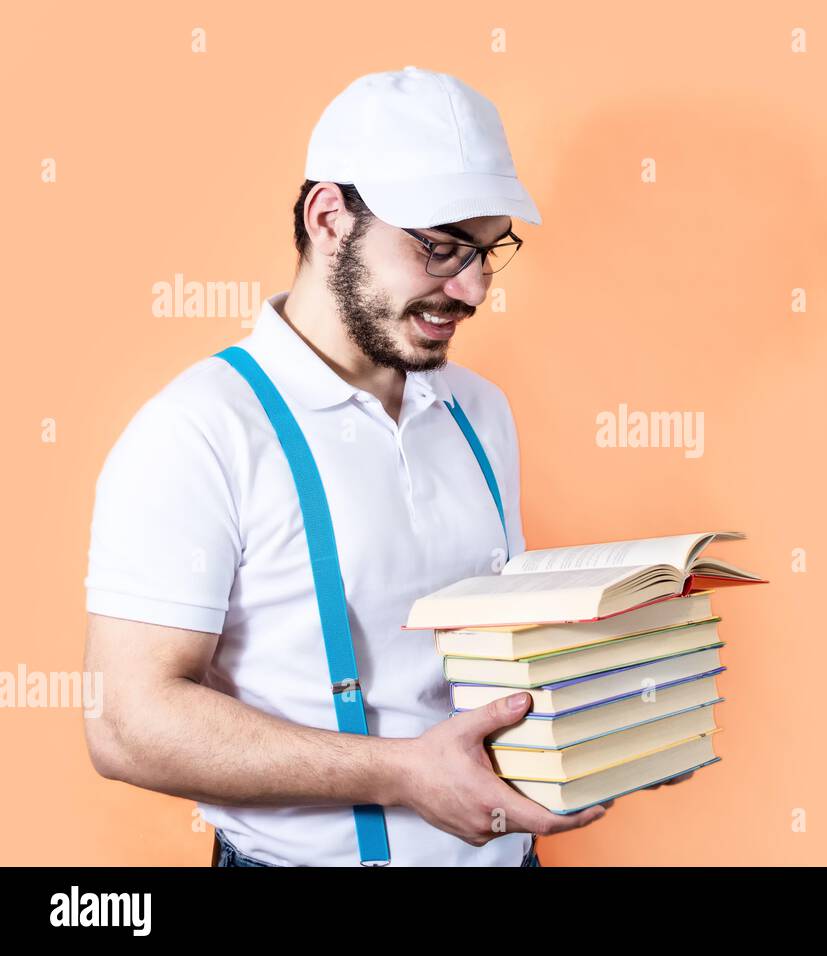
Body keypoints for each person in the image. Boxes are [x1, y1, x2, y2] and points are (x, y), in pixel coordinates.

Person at [81, 67, 621, 866]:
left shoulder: (481, 411)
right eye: (439, 247)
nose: (470, 288)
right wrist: (402, 775)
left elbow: (482, 654)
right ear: (329, 216)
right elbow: (127, 724)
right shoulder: (197, 430)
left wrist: (625, 715)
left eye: (487, 249)